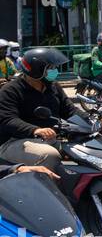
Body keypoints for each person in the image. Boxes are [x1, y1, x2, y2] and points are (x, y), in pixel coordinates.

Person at [0, 47, 78, 175]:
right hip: (12, 141)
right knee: (49, 155)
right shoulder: (10, 90)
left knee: (82, 151)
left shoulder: (53, 87)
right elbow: (7, 119)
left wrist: (93, 120)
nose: (54, 71)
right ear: (36, 70)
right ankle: (45, 193)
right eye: (50, 68)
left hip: (49, 138)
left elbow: (70, 110)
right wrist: (35, 130)